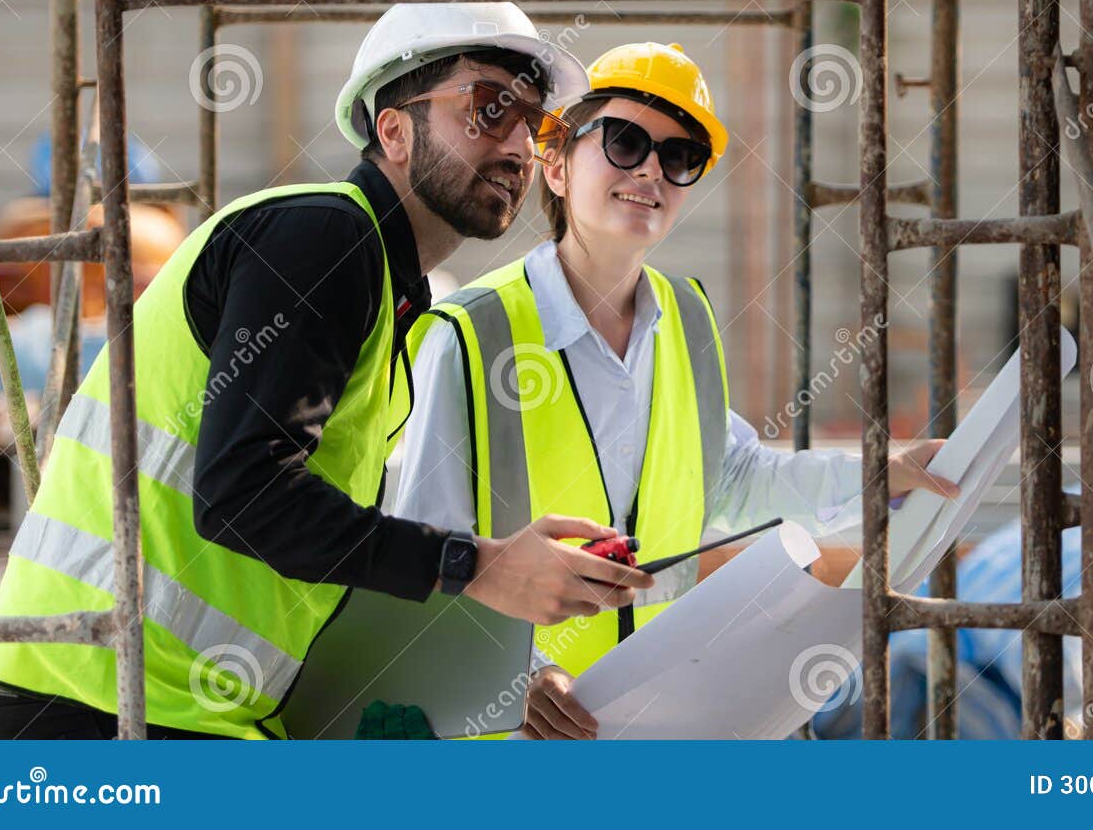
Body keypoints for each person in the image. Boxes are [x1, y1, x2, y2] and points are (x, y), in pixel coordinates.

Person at [0, 4, 654, 740]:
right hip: (102, 700)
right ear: (393, 130)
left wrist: (494, 653)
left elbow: (319, 532)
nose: (519, 144)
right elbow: (243, 494)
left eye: (536, 123)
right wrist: (478, 565)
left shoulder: (389, 293)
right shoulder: (323, 237)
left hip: (173, 701)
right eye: (489, 108)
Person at [393, 41, 958, 740]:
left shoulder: (684, 320)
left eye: (680, 155)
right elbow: (418, 550)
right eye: (625, 143)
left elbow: (736, 478)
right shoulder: (470, 334)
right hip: (513, 734)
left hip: (656, 721)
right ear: (558, 164)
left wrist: (883, 476)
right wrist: (525, 675)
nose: (652, 171)